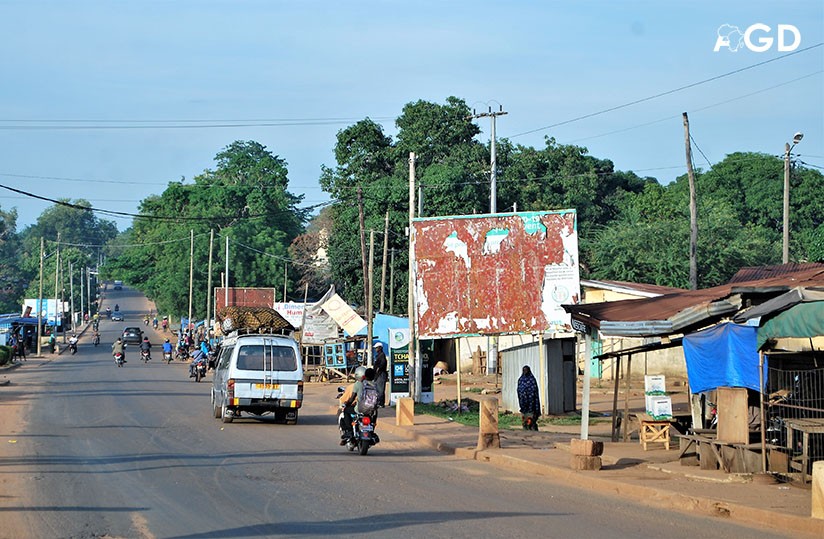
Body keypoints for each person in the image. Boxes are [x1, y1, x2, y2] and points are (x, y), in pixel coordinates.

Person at [339, 366, 377, 443]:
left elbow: (352, 398)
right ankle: (372, 432)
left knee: (346, 410)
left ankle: (349, 432)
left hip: (360, 408)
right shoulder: (375, 385)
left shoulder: (359, 384)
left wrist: (347, 403)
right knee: (374, 416)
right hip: (371, 410)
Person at [517, 365, 541, 431]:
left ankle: (533, 431)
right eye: (524, 370)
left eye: (526, 370)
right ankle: (526, 433)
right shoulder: (520, 380)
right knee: (525, 421)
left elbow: (535, 392)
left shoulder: (532, 380)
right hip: (523, 405)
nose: (525, 372)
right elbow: (519, 392)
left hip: (532, 405)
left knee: (531, 420)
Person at [372, 342, 388, 407]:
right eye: (375, 348)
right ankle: (378, 402)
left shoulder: (382, 355)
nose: (376, 349)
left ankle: (381, 403)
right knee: (377, 389)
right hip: (377, 375)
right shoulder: (378, 355)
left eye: (377, 348)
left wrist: (378, 368)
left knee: (380, 389)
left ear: (380, 348)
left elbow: (382, 364)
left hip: (381, 374)